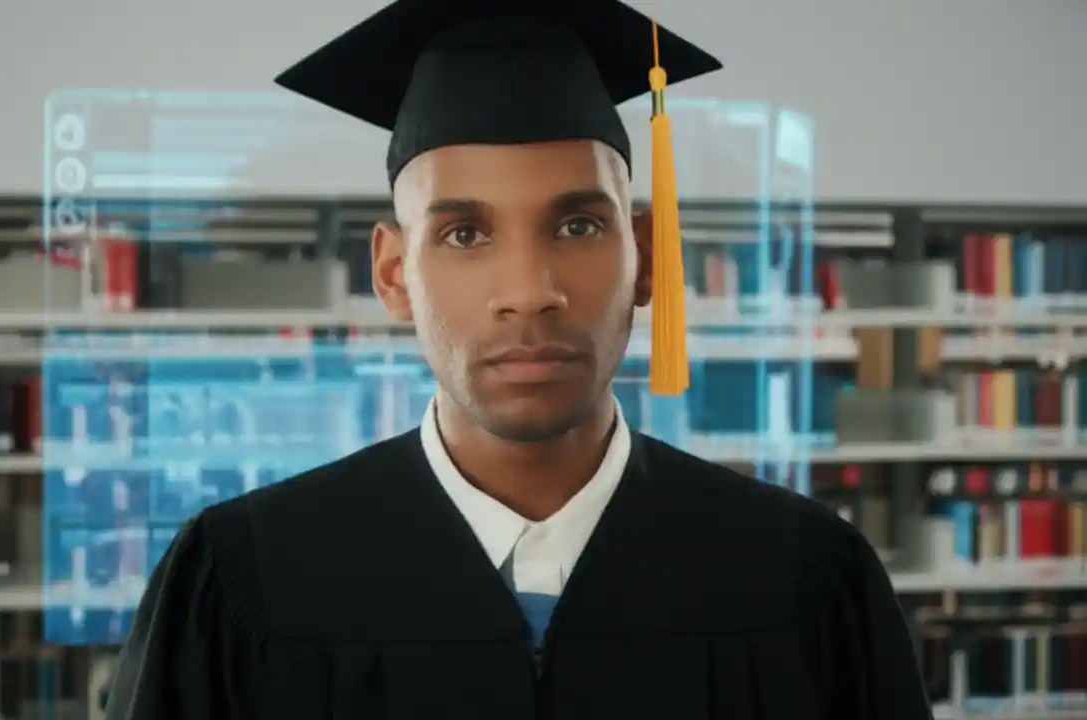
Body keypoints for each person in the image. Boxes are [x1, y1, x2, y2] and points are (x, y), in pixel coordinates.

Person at [106, 0, 933, 718]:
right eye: (464, 234)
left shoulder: (801, 579)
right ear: (394, 273)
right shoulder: (247, 580)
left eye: (578, 226)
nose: (529, 291)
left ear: (645, 257)